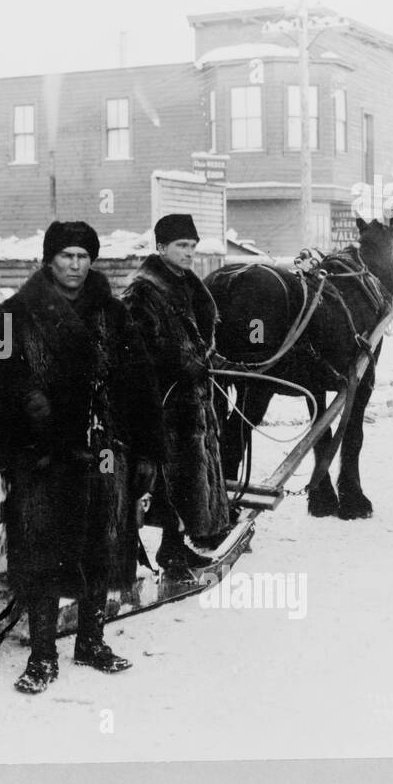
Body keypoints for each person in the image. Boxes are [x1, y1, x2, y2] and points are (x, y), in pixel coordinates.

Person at [0, 220, 161, 694]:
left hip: (102, 450)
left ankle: (91, 641)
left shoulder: (114, 315)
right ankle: (42, 655)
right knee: (41, 545)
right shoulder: (15, 314)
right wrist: (27, 406)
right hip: (44, 453)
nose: (76, 266)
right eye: (67, 256)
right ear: (48, 259)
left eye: (84, 257)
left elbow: (140, 386)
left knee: (102, 538)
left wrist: (146, 451)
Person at [122, 213, 233, 581]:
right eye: (181, 246)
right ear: (161, 248)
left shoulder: (188, 285)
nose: (189, 253)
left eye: (192, 246)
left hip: (191, 401)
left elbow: (199, 338)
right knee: (167, 478)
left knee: (187, 476)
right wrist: (179, 364)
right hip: (162, 402)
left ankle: (175, 546)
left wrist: (204, 361)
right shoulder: (143, 291)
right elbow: (135, 348)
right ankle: (165, 551)